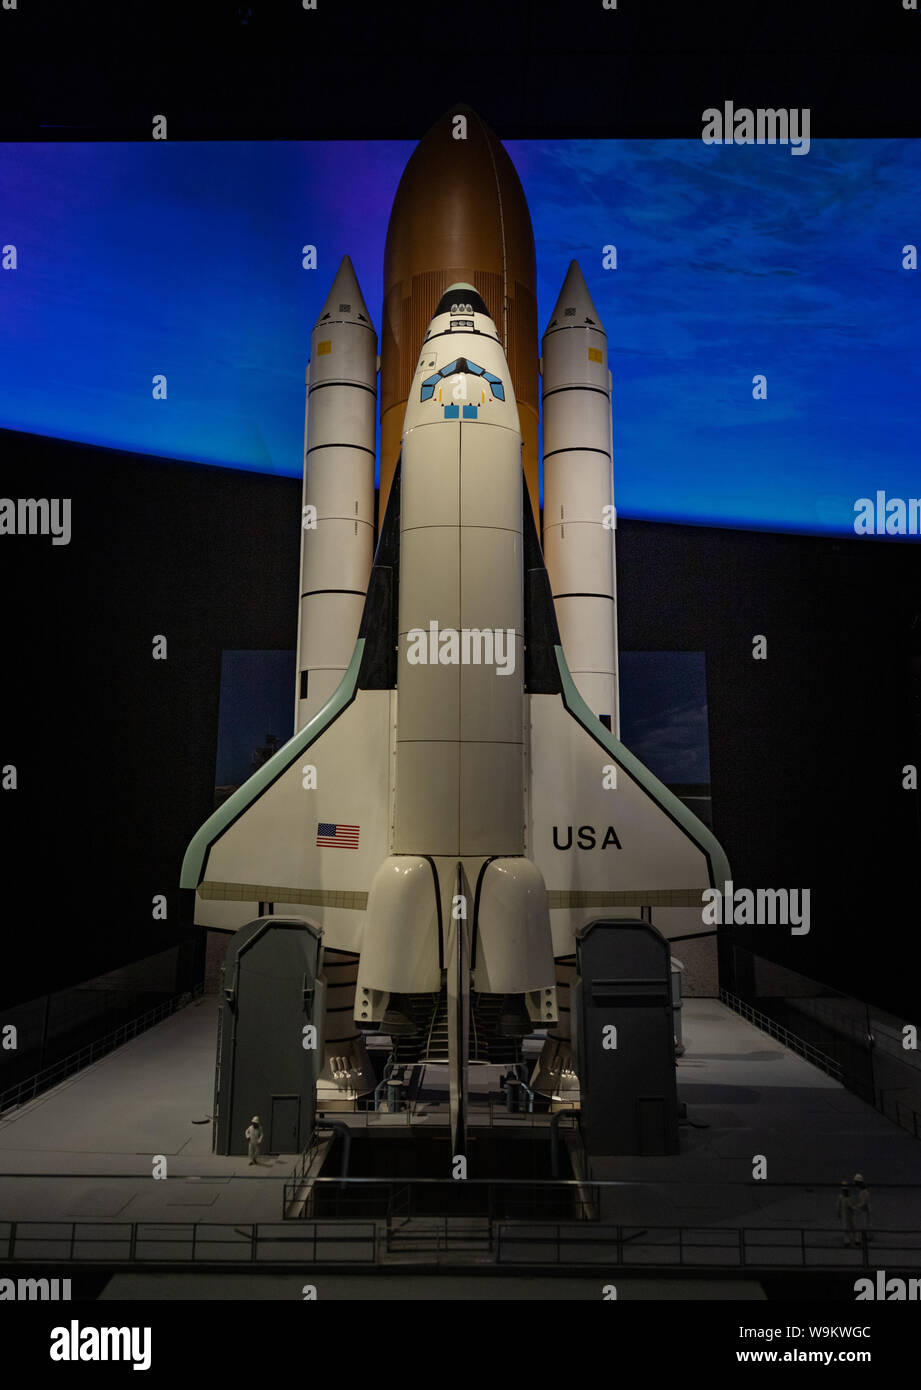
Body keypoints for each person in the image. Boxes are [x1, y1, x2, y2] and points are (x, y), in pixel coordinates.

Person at [852, 1174, 871, 1241]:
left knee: (865, 1224)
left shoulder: (864, 1192)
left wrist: (856, 1207)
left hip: (864, 1210)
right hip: (863, 1210)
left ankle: (867, 1237)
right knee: (865, 1223)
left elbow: (864, 1203)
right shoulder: (862, 1191)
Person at [836, 1179, 855, 1247]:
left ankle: (854, 1237)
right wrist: (838, 1212)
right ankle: (847, 1239)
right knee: (845, 1226)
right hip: (844, 1213)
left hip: (849, 1213)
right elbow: (838, 1205)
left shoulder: (849, 1197)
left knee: (852, 1225)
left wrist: (853, 1209)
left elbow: (852, 1204)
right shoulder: (841, 1197)